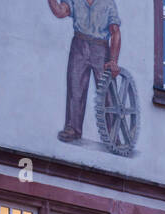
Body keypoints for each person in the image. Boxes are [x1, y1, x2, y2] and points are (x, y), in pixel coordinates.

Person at [48, 0, 122, 143]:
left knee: (107, 92)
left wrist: (113, 60)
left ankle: (113, 134)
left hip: (101, 48)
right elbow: (60, 12)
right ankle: (72, 129)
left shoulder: (108, 3)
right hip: (79, 44)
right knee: (75, 87)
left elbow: (115, 32)